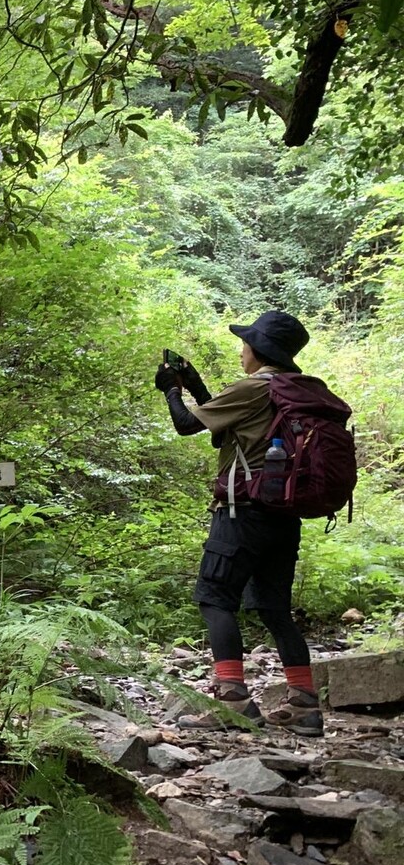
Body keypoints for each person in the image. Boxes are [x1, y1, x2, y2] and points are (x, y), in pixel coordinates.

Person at [155, 310, 322, 737]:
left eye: (246, 343)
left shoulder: (253, 387)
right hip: (284, 514)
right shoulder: (302, 391)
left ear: (259, 350)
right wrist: (195, 387)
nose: (242, 349)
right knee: (274, 609)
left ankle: (231, 701)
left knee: (215, 598)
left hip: (241, 513)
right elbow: (225, 432)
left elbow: (188, 424)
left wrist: (172, 391)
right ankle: (305, 706)